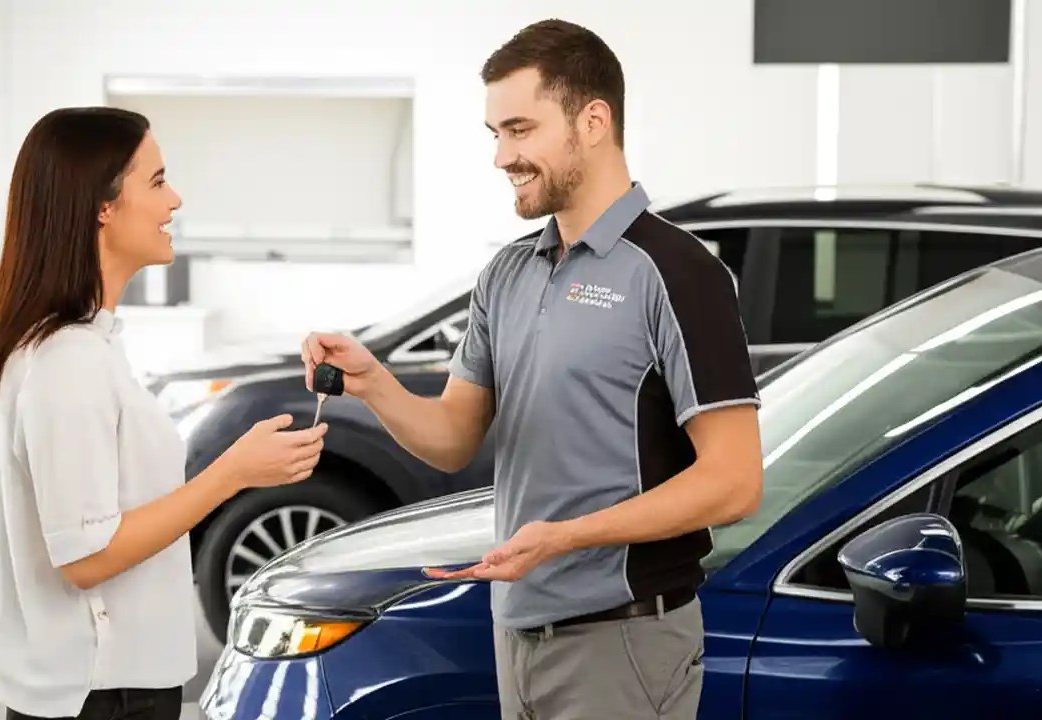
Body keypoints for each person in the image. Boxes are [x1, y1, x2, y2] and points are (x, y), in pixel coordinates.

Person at [301, 19, 763, 720]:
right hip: (516, 631)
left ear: (593, 121)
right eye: (495, 134)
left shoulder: (677, 273)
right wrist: (375, 383)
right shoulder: (508, 272)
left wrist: (568, 536)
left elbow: (734, 481)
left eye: (520, 130)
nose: (502, 157)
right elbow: (454, 435)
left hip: (624, 638)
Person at [0, 106, 329, 720]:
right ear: (102, 206)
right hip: (98, 693)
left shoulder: (90, 344)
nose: (175, 199)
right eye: (158, 181)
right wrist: (231, 473)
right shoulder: (67, 359)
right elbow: (86, 557)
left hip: (116, 684)